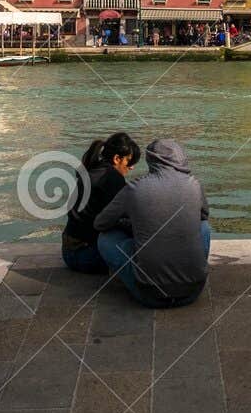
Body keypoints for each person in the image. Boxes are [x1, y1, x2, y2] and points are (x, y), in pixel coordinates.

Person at [95, 139, 211, 308]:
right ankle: (189, 272)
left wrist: (130, 223)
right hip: (193, 291)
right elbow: (204, 215)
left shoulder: (134, 188)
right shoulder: (194, 184)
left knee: (105, 239)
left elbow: (100, 224)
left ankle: (138, 279)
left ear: (150, 160)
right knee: (204, 227)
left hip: (149, 295)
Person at [62, 132, 141, 273]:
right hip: (86, 257)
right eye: (130, 162)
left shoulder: (92, 169)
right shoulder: (112, 178)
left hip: (69, 252)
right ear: (117, 159)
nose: (132, 167)